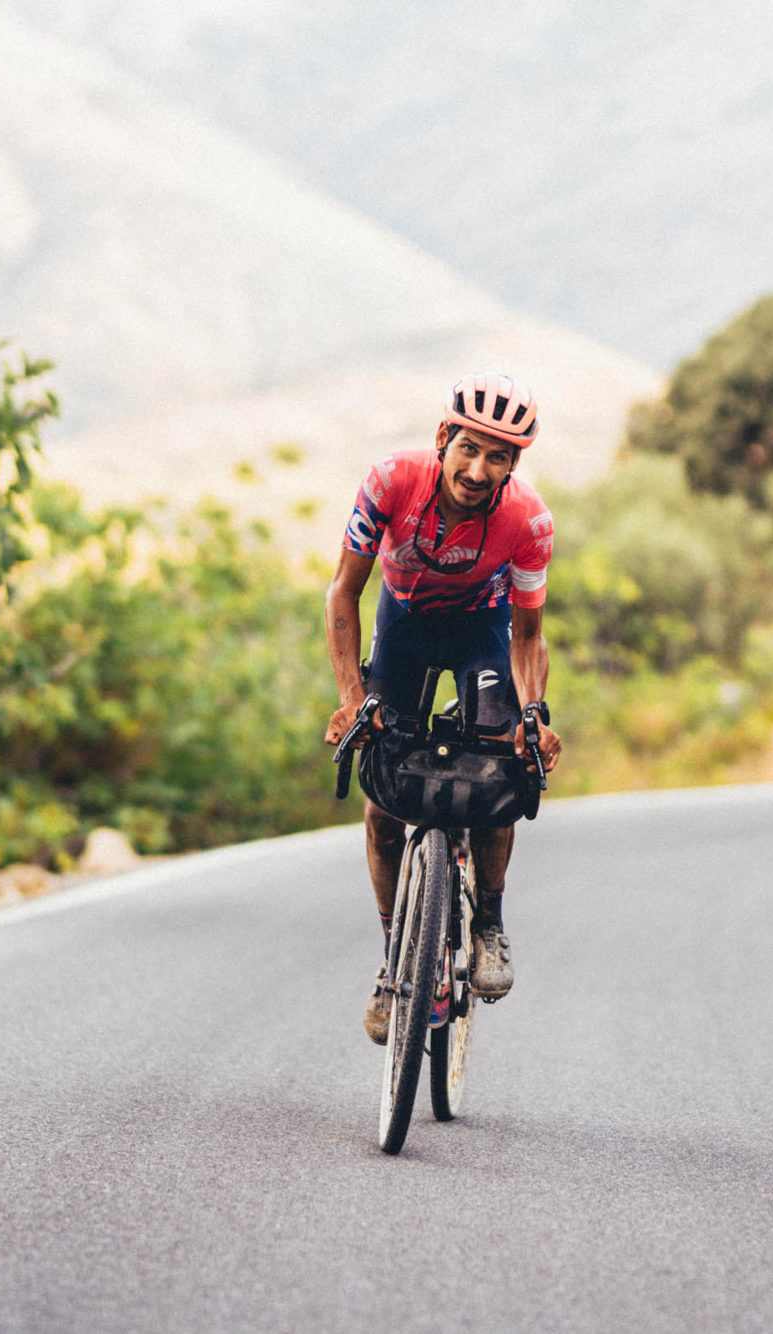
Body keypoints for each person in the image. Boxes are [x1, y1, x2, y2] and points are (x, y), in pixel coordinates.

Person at [324, 372, 564, 1045]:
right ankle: (393, 961)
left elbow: (527, 637)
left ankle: (488, 922)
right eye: (468, 448)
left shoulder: (528, 521)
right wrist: (352, 699)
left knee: (502, 769)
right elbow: (343, 594)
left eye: (498, 458)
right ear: (443, 438)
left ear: (513, 466)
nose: (478, 470)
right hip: (402, 624)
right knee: (383, 801)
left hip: (482, 630)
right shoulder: (390, 482)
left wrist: (532, 716)